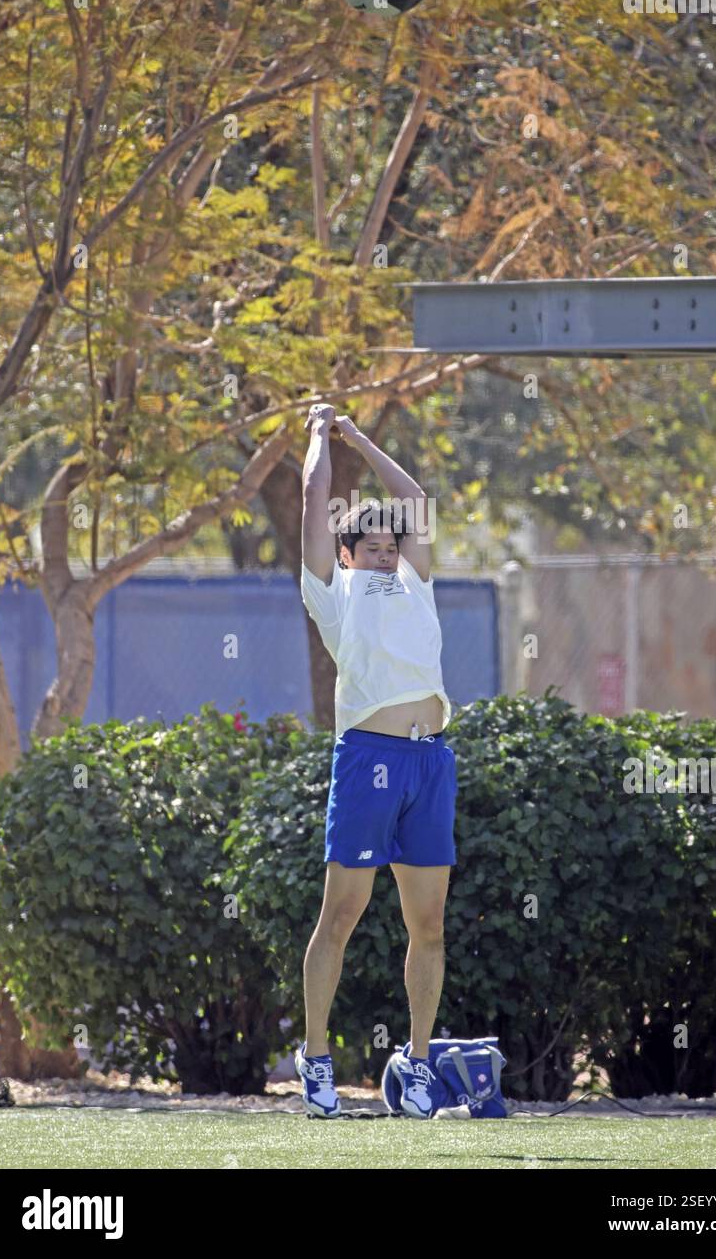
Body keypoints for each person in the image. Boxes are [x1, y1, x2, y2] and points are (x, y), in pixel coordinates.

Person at [294, 402, 457, 1119]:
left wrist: (361, 438)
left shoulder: (414, 580)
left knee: (429, 926)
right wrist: (317, 435)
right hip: (367, 758)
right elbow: (311, 499)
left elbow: (416, 501)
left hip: (429, 763)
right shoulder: (334, 593)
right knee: (343, 914)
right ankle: (316, 1056)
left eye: (394, 546)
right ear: (348, 554)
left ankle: (418, 1065)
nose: (388, 553)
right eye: (374, 546)